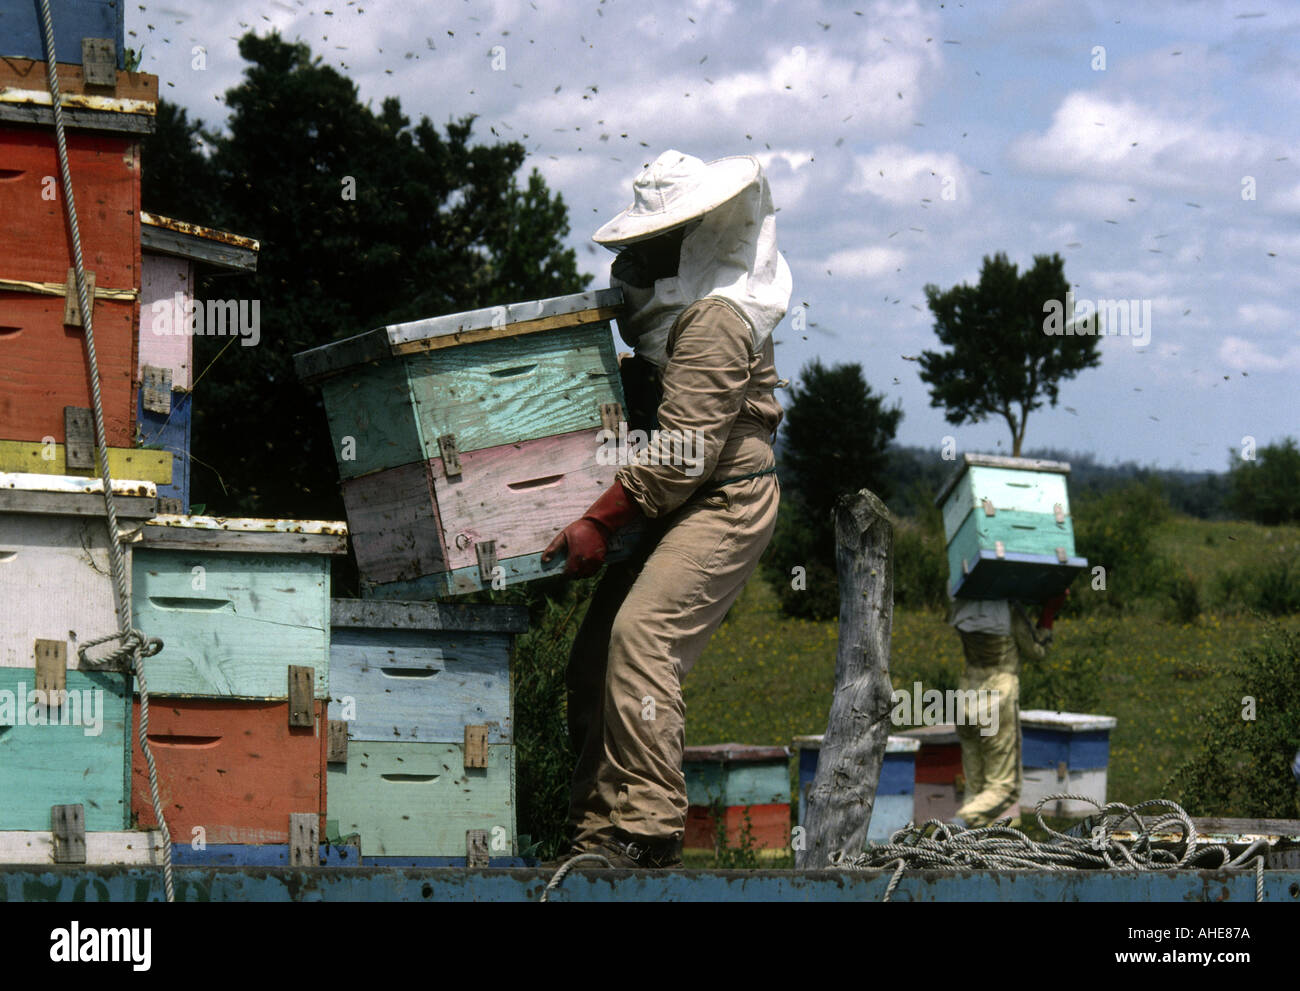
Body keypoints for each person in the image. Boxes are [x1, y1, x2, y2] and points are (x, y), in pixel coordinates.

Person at [540, 150, 791, 868]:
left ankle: (647, 829)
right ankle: (593, 835)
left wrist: (599, 519)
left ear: (697, 236)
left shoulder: (717, 318)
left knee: (642, 636)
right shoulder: (689, 311)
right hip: (675, 501)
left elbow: (684, 453)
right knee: (593, 663)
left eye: (655, 241)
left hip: (722, 501)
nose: (638, 258)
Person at [948, 591, 1067, 827]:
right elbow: (1037, 649)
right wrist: (1049, 612)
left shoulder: (959, 599)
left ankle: (967, 850)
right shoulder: (1008, 608)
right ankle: (957, 824)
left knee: (977, 786)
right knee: (1005, 788)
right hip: (997, 695)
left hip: (966, 696)